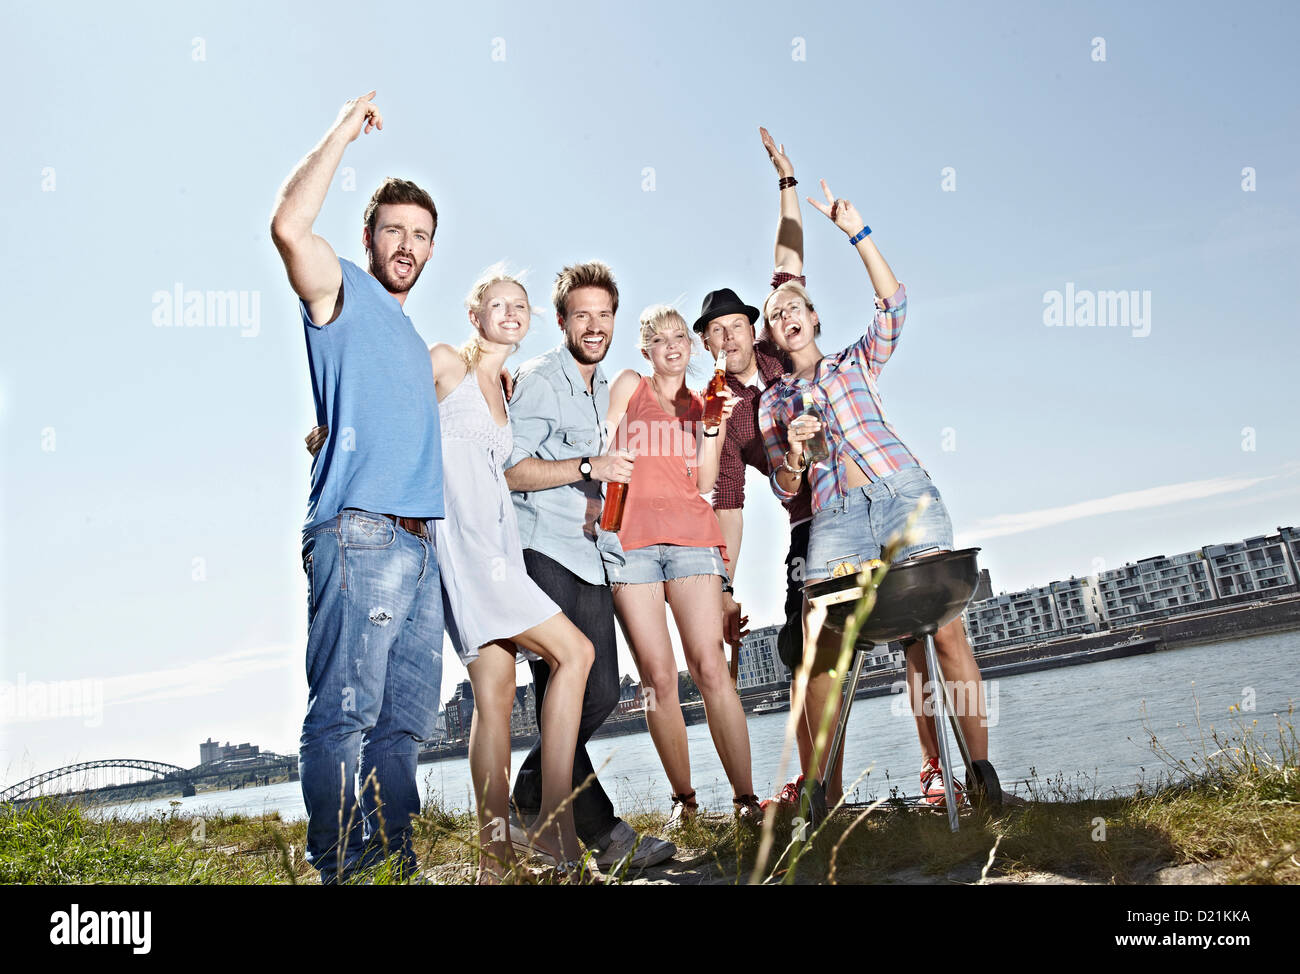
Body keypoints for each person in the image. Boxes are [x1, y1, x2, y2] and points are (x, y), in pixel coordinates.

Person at [758, 177, 991, 807]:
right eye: (776, 317)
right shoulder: (774, 402)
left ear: (813, 319)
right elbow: (785, 483)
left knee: (944, 632)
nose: (786, 319)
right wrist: (800, 456)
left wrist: (856, 233)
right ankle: (819, 790)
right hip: (835, 520)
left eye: (794, 309)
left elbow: (895, 305)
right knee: (823, 644)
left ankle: (981, 774)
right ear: (775, 338)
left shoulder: (855, 362)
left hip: (902, 493)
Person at [270, 91, 446, 883]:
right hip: (361, 531)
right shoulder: (339, 289)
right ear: (369, 238)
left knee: (402, 727)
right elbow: (287, 228)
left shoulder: (411, 339)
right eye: (394, 231)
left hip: (421, 547)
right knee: (345, 715)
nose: (407, 245)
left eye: (421, 236)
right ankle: (341, 866)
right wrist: (344, 127)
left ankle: (393, 863)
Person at [504, 261, 677, 868]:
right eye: (583, 314)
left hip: (592, 557)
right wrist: (587, 468)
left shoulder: (606, 388)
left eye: (604, 315)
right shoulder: (540, 378)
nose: (595, 325)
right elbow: (509, 469)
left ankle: (528, 800)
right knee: (566, 690)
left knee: (600, 693)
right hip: (543, 549)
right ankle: (606, 839)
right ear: (562, 320)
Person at [694, 127, 843, 808]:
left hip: (859, 493)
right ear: (706, 346)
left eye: (734, 327)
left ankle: (935, 774)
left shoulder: (780, 346)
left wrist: (787, 180)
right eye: (714, 334)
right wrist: (723, 584)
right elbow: (727, 504)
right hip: (807, 519)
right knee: (799, 650)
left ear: (749, 328)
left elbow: (789, 264)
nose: (727, 339)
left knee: (905, 628)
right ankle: (817, 786)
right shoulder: (720, 414)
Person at [430, 268, 596, 881]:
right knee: (575, 655)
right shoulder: (446, 363)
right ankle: (557, 832)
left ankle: (493, 862)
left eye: (520, 306)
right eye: (497, 304)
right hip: (469, 547)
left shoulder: (504, 384)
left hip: (499, 545)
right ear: (475, 316)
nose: (511, 312)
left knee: (495, 701)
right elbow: (390, 404)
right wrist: (337, 433)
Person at [603, 305, 763, 827]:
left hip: (694, 540)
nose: (672, 345)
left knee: (710, 667)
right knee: (656, 678)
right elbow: (602, 448)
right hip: (632, 545)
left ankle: (745, 802)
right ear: (645, 348)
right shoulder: (630, 385)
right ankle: (685, 803)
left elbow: (703, 486)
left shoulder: (703, 405)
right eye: (660, 338)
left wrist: (714, 428)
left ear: (691, 348)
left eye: (680, 337)